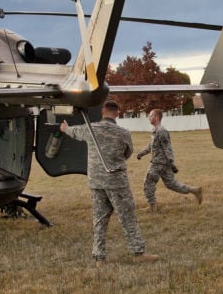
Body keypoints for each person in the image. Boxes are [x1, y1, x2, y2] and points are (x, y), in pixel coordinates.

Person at [60, 100, 159, 264]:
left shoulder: (90, 130)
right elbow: (128, 153)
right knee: (127, 217)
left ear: (102, 112)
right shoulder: (123, 133)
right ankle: (138, 253)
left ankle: (99, 257)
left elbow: (71, 131)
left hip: (96, 182)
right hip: (117, 182)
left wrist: (64, 128)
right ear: (117, 113)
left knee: (99, 219)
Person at [135, 108, 202, 211]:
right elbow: (151, 146)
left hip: (159, 162)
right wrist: (141, 154)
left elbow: (168, 147)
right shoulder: (155, 131)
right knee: (171, 184)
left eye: (151, 116)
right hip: (162, 162)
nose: (149, 118)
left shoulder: (161, 131)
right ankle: (194, 190)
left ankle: (152, 207)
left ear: (156, 117)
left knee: (148, 182)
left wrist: (171, 163)